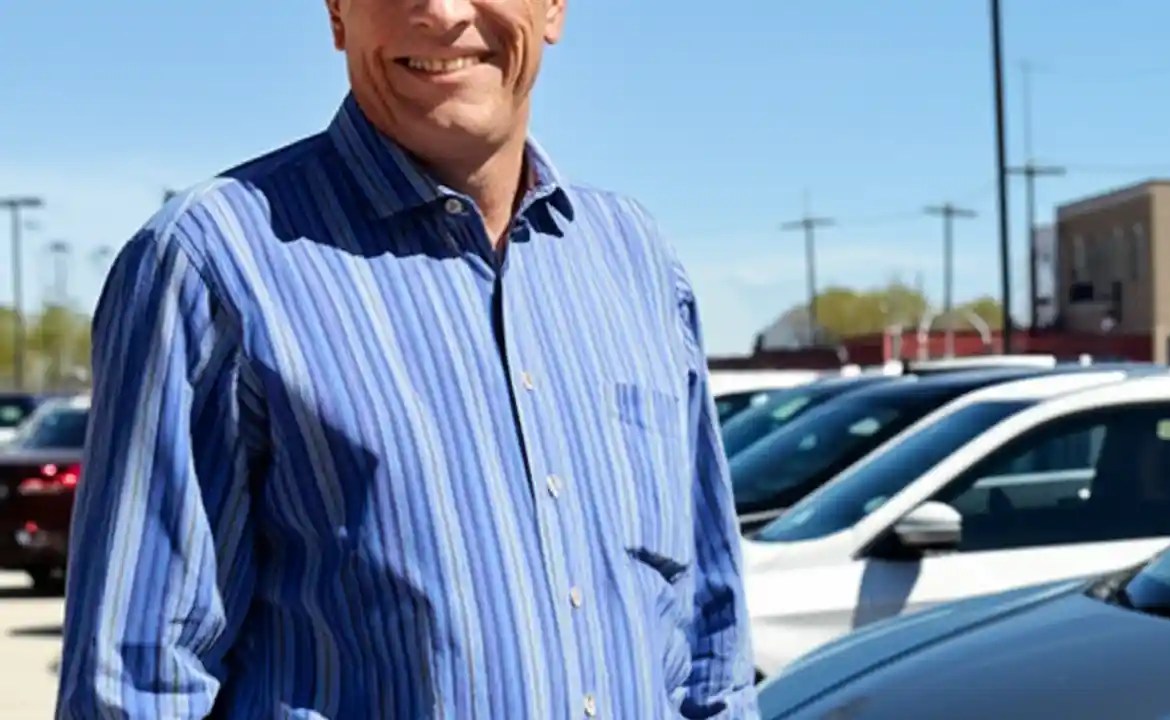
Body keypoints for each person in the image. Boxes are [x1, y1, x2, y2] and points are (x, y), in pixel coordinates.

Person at [54, 1, 758, 718]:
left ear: (552, 8)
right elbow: (136, 682)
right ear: (336, 14)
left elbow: (711, 646)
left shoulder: (637, 264)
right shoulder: (213, 265)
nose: (443, 13)